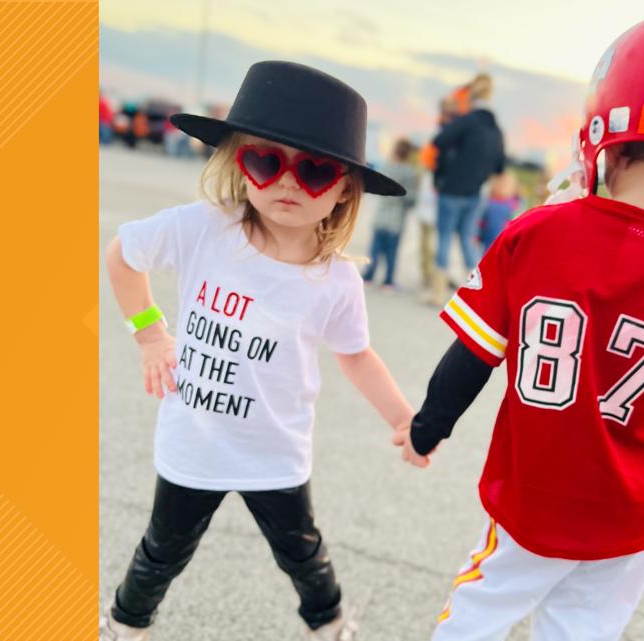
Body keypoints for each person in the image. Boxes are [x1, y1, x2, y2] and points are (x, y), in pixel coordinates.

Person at [392, 15, 644, 640]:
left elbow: (471, 356)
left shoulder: (538, 234)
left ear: (604, 133)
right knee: (583, 630)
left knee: (478, 613)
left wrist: (428, 428)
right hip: (631, 515)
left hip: (533, 497)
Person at [99, 61, 413, 641]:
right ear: (240, 164)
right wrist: (149, 333)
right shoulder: (202, 230)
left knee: (302, 552)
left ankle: (329, 622)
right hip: (194, 442)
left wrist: (402, 418)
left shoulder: (336, 280)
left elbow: (355, 355)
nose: (287, 182)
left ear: (344, 189)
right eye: (267, 161)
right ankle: (124, 623)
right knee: (162, 551)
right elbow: (123, 254)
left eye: (314, 170)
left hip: (275, 451)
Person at [428, 74, 505, 305]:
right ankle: (476, 296)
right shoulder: (496, 129)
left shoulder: (467, 120)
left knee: (444, 238)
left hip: (452, 190)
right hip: (476, 193)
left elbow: (439, 141)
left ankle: (438, 293)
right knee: (467, 240)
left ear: (471, 97)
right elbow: (499, 166)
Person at [363, 138, 419, 289]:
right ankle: (388, 281)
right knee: (391, 253)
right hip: (396, 221)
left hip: (380, 217)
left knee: (374, 251)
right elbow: (411, 199)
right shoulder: (410, 172)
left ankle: (368, 276)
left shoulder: (385, 167)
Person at [478, 172, 520, 251]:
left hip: (499, 237)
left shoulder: (512, 204)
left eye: (505, 186)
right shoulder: (513, 204)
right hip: (491, 236)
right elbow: (481, 221)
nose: (502, 189)